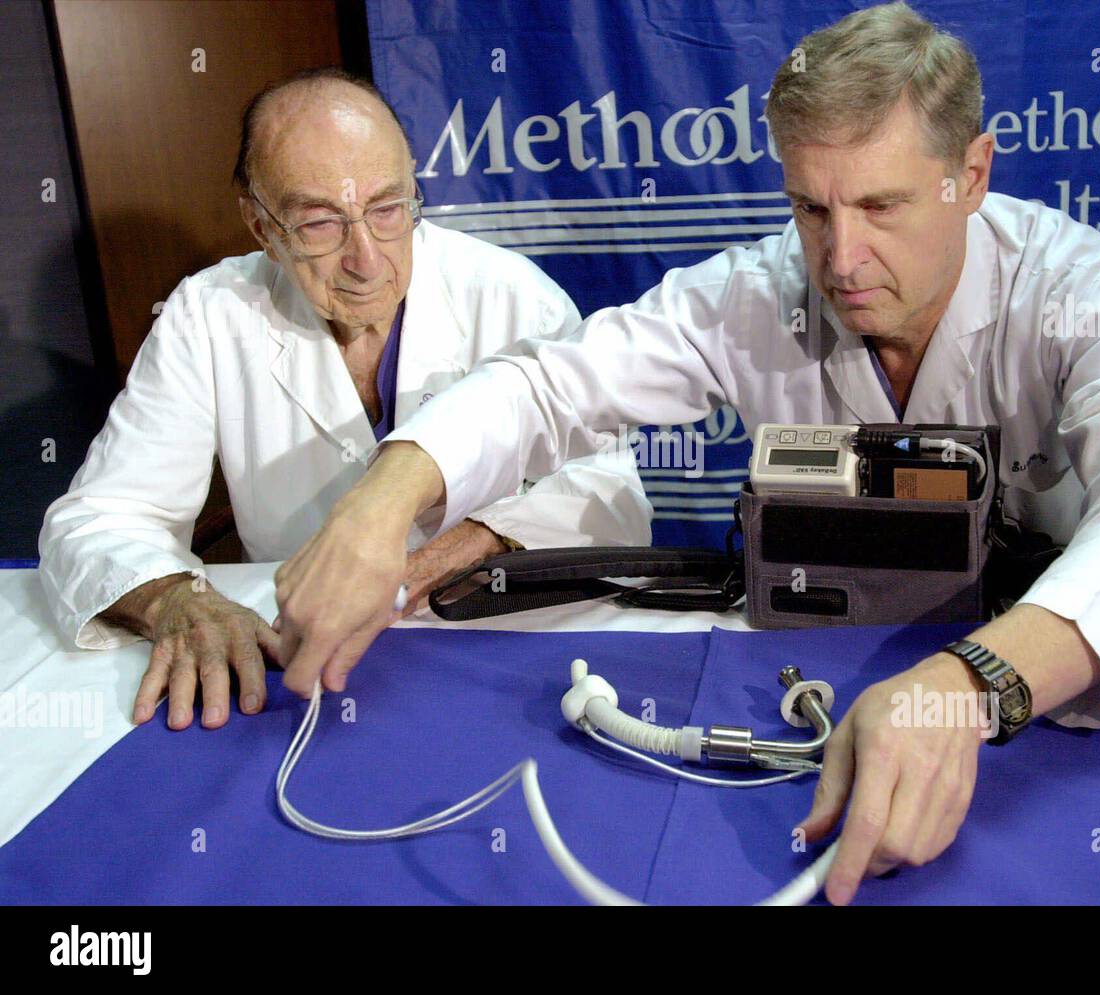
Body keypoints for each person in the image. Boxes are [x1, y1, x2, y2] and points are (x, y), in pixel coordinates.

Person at [270, 5, 1100, 904]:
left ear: (972, 176)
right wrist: (382, 500)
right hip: (824, 662)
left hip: (1041, 668)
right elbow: (554, 383)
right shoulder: (755, 293)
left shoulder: (1078, 287)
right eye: (811, 210)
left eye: (881, 206)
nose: (842, 259)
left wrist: (966, 684)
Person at [38, 69, 652, 734]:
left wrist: (439, 560)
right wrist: (176, 602)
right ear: (261, 225)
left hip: (497, 652)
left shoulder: (510, 296)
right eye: (320, 222)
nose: (366, 258)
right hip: (299, 681)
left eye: (389, 209)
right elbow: (98, 519)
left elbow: (611, 495)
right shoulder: (209, 314)